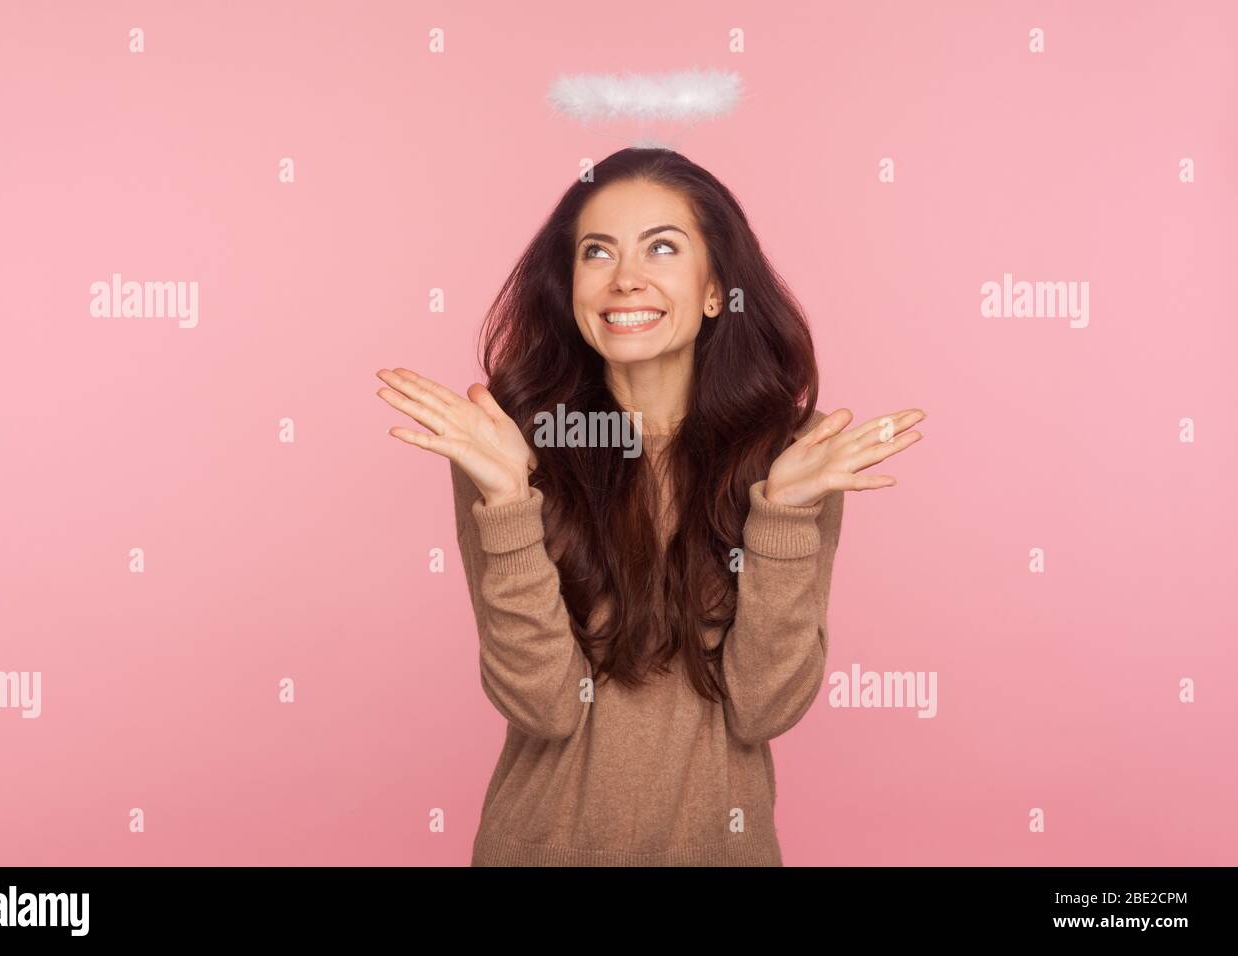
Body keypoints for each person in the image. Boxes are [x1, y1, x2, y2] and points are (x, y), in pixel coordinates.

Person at [376, 147, 926, 866]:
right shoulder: (510, 447)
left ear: (713, 291)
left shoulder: (790, 457)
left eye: (662, 247)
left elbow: (765, 706)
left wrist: (785, 513)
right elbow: (543, 705)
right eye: (596, 253)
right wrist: (508, 500)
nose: (625, 278)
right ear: (571, 288)